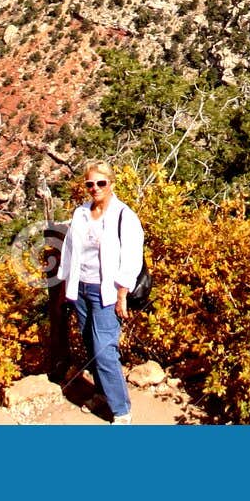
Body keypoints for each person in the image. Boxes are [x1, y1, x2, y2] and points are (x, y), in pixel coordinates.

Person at [55, 160, 145, 424]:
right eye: (90, 184)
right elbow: (70, 251)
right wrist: (65, 286)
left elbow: (131, 257)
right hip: (81, 287)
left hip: (107, 290)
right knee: (90, 344)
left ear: (111, 184)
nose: (95, 188)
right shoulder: (81, 213)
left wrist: (121, 294)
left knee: (104, 348)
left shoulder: (123, 216)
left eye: (101, 183)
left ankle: (121, 410)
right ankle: (104, 394)